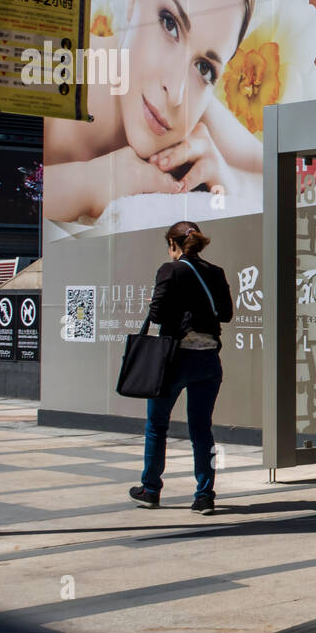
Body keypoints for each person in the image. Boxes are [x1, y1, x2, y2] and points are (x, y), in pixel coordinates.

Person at [45, 0, 266, 222]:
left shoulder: (196, 116)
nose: (176, 91)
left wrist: (230, 181)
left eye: (204, 68)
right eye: (169, 24)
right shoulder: (53, 74)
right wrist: (92, 184)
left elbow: (297, 178)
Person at [129, 220, 233, 515]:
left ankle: (150, 489)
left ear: (173, 245)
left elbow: (158, 314)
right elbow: (225, 314)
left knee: (156, 425)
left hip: (173, 361)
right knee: (202, 429)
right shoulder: (215, 272)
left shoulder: (169, 270)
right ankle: (204, 496)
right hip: (208, 360)